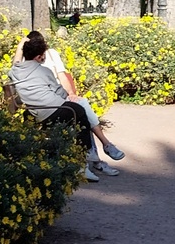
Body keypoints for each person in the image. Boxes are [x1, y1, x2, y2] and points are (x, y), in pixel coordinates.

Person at [8, 32, 105, 183]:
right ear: (39, 56)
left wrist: (20, 46)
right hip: (53, 110)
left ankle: (85, 156)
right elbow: (60, 92)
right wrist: (66, 95)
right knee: (80, 111)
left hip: (35, 113)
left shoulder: (15, 71)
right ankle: (86, 154)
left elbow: (16, 62)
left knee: (76, 113)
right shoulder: (44, 71)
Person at [37, 39, 126, 176]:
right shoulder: (27, 65)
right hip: (50, 103)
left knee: (82, 108)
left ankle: (90, 160)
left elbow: (62, 77)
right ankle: (102, 150)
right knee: (82, 112)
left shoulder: (51, 54)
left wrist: (71, 93)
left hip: (61, 98)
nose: (43, 55)